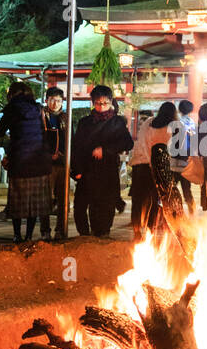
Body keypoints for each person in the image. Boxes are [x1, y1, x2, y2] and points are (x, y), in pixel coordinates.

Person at [71, 84, 134, 238]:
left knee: (105, 204)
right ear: (93, 103)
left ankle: (102, 233)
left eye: (105, 103)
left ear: (111, 102)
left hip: (107, 169)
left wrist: (105, 150)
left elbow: (128, 143)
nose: (101, 107)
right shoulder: (85, 122)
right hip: (87, 169)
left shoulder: (117, 122)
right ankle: (84, 234)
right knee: (80, 205)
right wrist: (76, 170)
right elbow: (76, 146)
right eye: (98, 103)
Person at [0, 83, 53, 243]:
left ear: (12, 94)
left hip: (20, 160)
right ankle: (28, 236)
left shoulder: (12, 109)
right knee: (34, 202)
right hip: (38, 161)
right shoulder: (38, 109)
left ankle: (17, 235)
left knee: (17, 200)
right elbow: (43, 134)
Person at [130, 100, 178, 238]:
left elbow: (142, 143)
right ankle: (151, 229)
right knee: (155, 199)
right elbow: (169, 150)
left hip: (140, 165)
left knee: (138, 199)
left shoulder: (148, 122)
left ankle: (137, 230)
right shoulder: (172, 127)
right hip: (156, 167)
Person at [43, 86, 68, 239]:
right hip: (47, 163)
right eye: (52, 100)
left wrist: (64, 155)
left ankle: (60, 229)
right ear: (46, 100)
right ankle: (45, 231)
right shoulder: (41, 116)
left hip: (63, 162)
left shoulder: (65, 117)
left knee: (62, 199)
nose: (55, 104)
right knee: (45, 198)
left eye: (58, 101)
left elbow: (70, 138)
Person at [169, 98, 196, 214]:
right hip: (185, 160)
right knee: (186, 189)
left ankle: (172, 211)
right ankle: (192, 211)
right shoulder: (191, 123)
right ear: (190, 110)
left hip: (174, 160)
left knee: (171, 188)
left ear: (179, 110)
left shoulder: (175, 122)